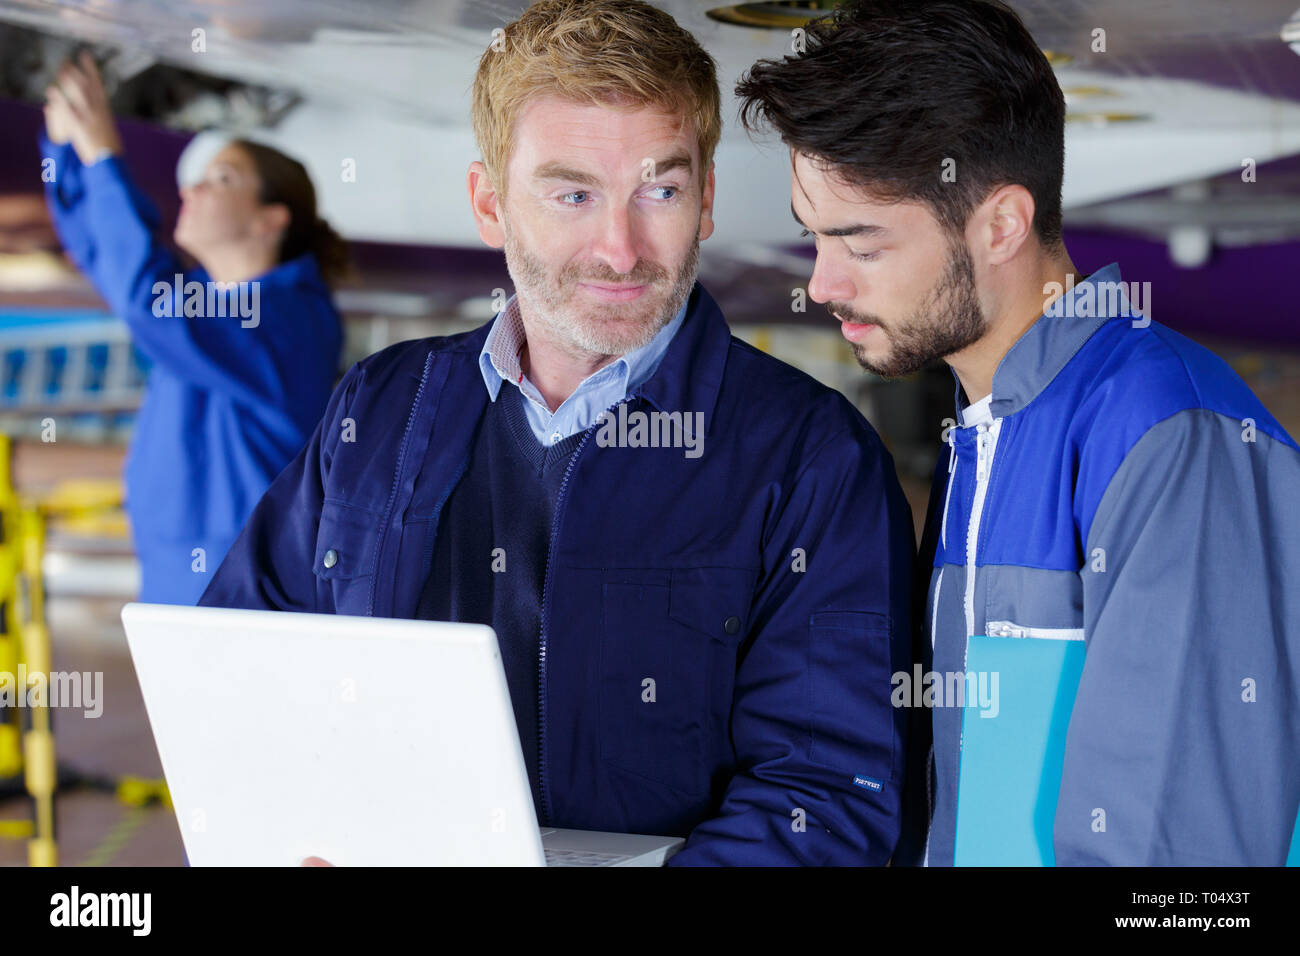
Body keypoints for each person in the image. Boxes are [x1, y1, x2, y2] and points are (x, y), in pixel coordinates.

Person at [200, 0, 914, 866]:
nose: (620, 248)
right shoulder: (380, 406)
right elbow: (242, 668)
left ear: (708, 198)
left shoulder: (812, 458)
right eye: (572, 193)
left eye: (661, 189)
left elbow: (827, 800)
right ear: (490, 204)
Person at [735, 0, 1300, 866]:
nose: (822, 282)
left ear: (1000, 224)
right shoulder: (987, 435)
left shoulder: (1166, 432)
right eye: (814, 238)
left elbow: (1177, 877)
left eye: (863, 244)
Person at [40, 51, 345, 606]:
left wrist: (103, 156)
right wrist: (65, 150)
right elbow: (101, 252)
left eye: (221, 179)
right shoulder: (207, 307)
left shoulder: (290, 319)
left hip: (241, 597)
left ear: (270, 219)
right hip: (174, 581)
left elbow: (146, 299)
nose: (193, 190)